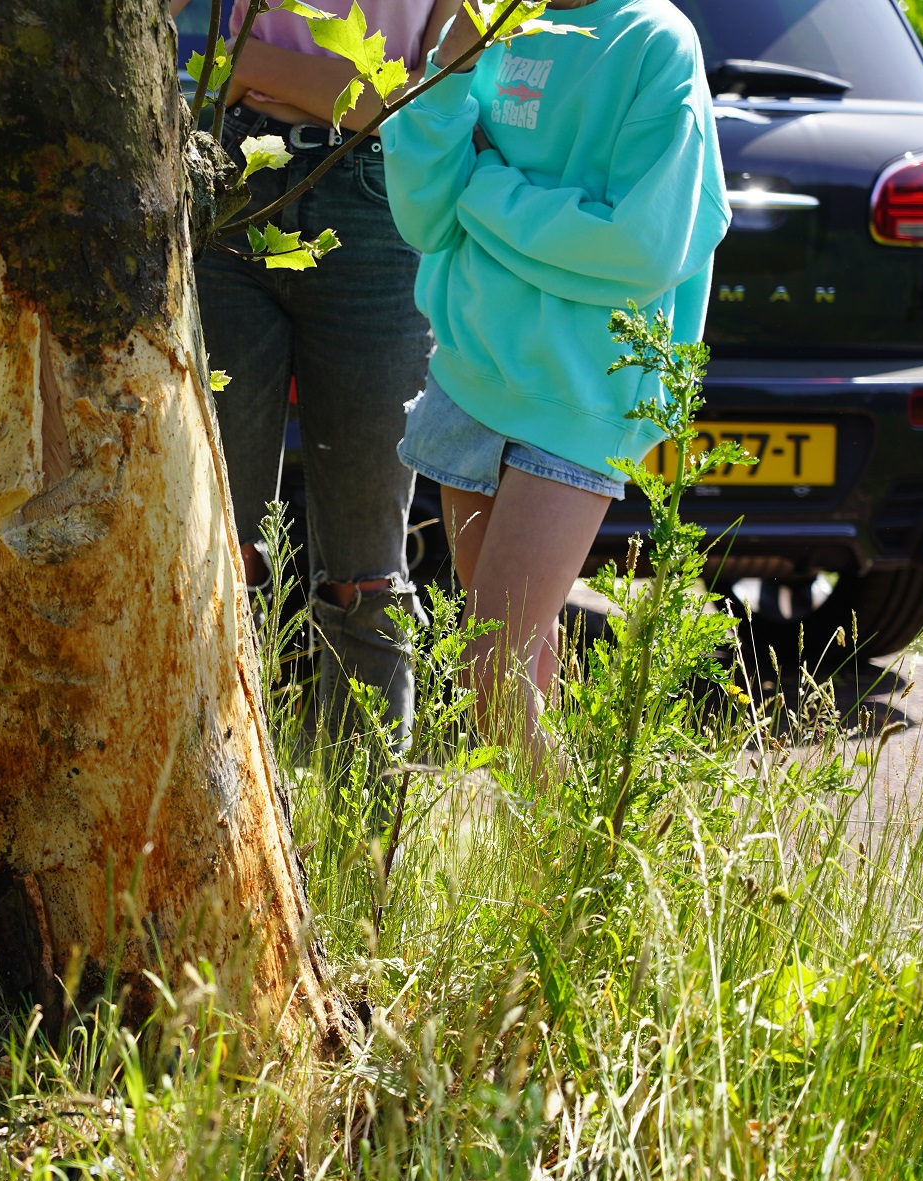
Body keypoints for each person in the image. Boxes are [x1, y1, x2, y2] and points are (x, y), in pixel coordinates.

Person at [382, 0, 730, 750]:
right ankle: (553, 859)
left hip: (581, 394)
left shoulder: (654, 41)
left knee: (492, 671)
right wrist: (454, 67)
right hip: (474, 375)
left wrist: (485, 188)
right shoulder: (489, 22)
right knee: (510, 686)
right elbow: (424, 217)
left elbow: (639, 247)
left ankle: (582, 861)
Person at [181, 0, 464, 745]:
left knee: (369, 571)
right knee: (214, 545)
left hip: (379, 199)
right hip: (231, 178)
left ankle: (365, 849)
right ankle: (204, 827)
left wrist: (247, 66)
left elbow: (410, 92)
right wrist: (329, 84)